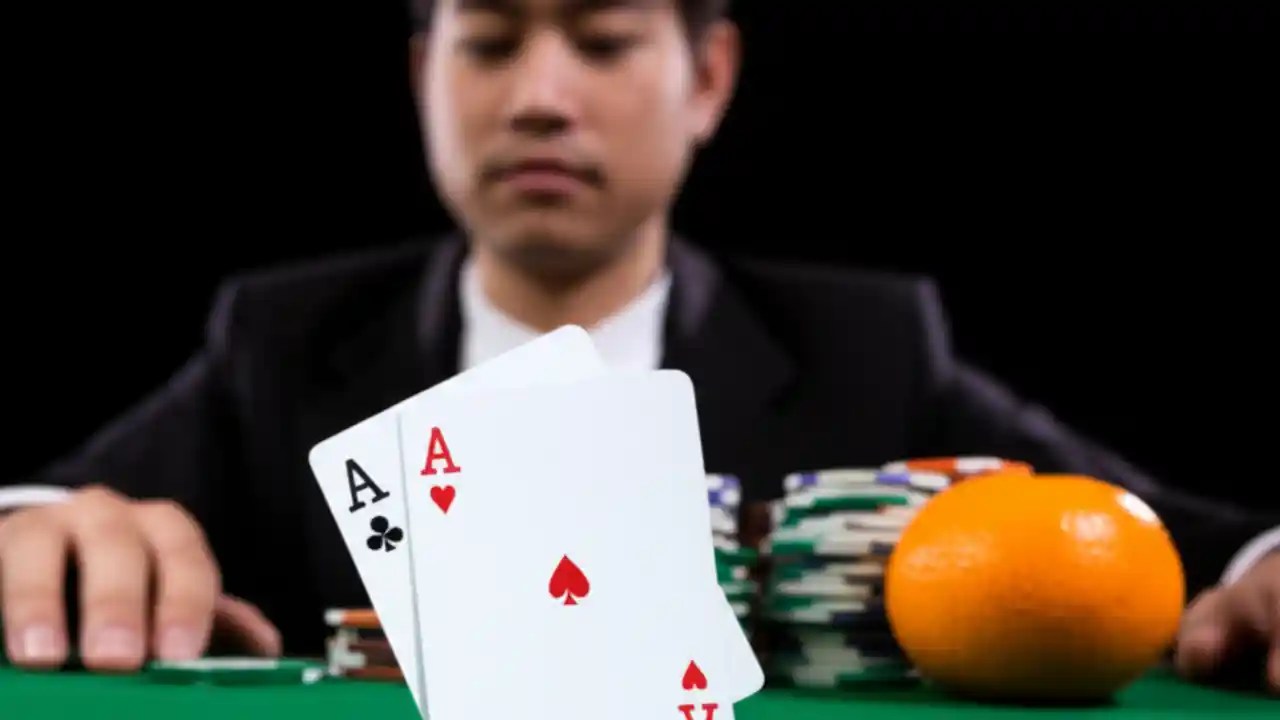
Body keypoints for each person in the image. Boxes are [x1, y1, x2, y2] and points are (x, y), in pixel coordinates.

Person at [1, 0, 1276, 694]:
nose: (539, 98)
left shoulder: (866, 346)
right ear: (423, 74)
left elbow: (1165, 542)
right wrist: (30, 525)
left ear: (707, 79)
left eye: (604, 41)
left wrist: (1265, 565)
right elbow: (44, 513)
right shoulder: (279, 340)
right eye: (488, 43)